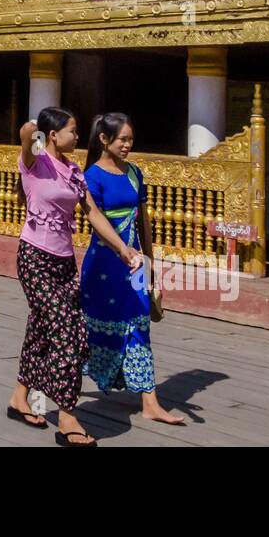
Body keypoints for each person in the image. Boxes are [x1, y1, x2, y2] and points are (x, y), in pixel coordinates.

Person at [8, 106, 143, 447]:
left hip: (66, 265)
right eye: (72, 130)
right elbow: (26, 133)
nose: (78, 136)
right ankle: (68, 416)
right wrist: (37, 127)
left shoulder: (73, 171)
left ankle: (19, 397)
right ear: (53, 135)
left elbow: (93, 213)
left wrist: (122, 249)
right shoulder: (35, 162)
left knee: (41, 329)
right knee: (69, 332)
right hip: (35, 260)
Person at [81, 113, 185, 425]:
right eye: (122, 139)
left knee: (140, 326)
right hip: (104, 266)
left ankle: (150, 403)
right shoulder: (91, 178)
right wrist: (122, 251)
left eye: (130, 139)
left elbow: (143, 225)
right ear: (104, 140)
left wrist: (151, 270)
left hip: (137, 264)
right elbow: (97, 225)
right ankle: (56, 386)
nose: (128, 145)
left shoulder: (134, 174)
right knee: (90, 331)